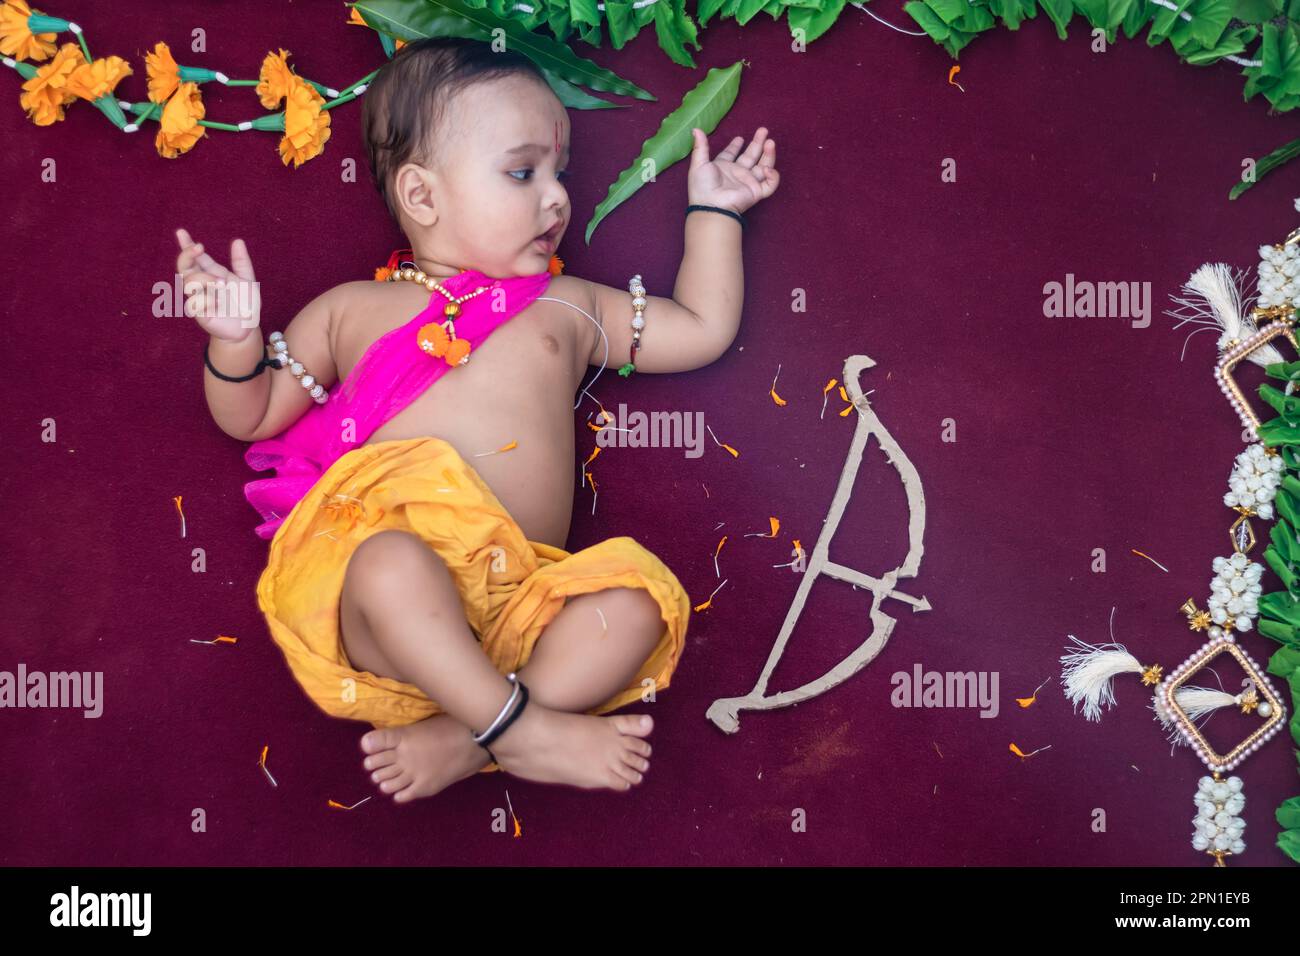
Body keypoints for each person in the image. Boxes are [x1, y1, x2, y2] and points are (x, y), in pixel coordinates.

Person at [174, 35, 779, 803]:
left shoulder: (570, 307)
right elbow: (252, 415)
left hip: (521, 605)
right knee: (389, 560)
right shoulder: (352, 311)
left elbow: (698, 328)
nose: (557, 196)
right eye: (523, 173)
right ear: (423, 197)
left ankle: (471, 738)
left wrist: (714, 213)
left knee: (639, 605)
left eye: (559, 172)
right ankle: (522, 733)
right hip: (393, 608)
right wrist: (235, 344)